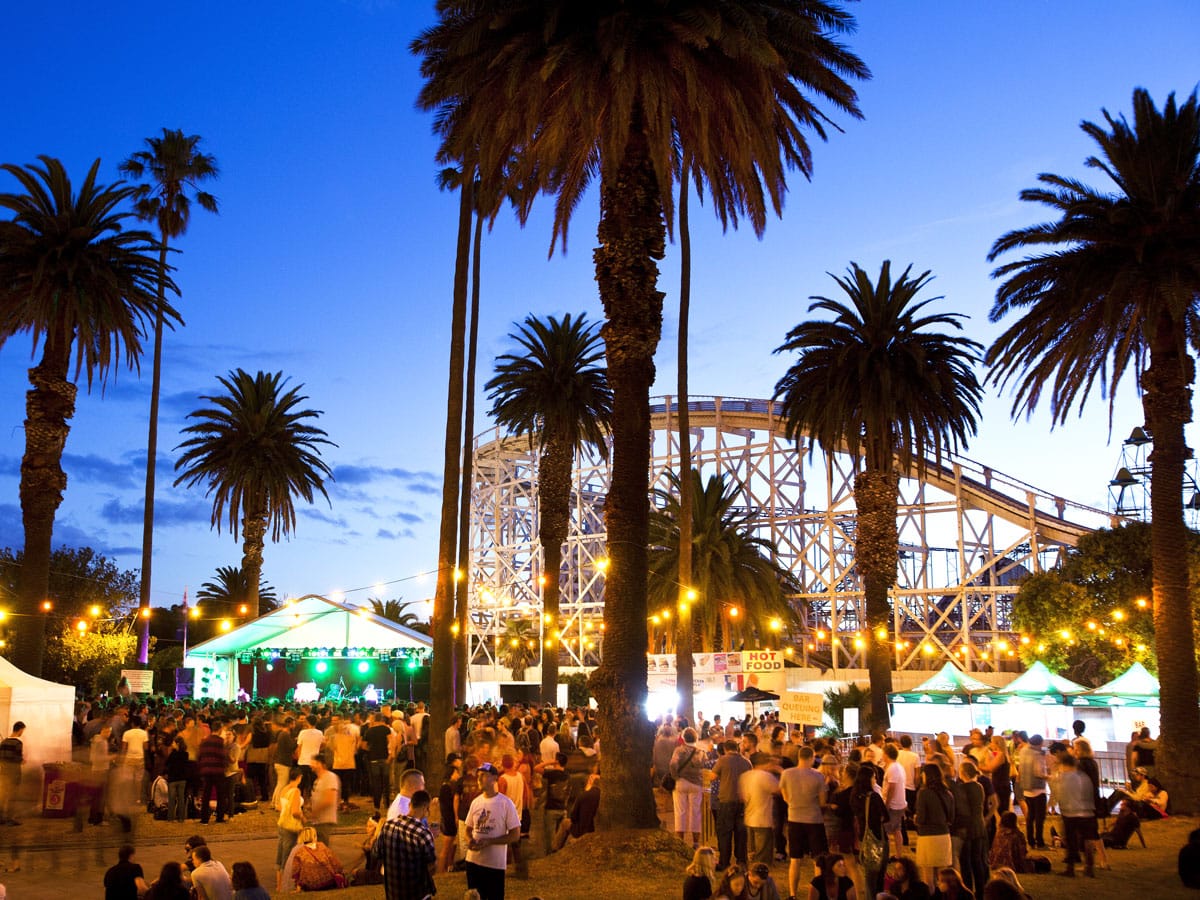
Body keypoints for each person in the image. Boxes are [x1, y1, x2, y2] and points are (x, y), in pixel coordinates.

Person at [465, 760, 521, 900]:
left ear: (495, 778)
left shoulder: (505, 804)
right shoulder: (476, 802)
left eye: (484, 775)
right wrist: (469, 840)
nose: (479, 778)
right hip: (473, 861)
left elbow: (515, 835)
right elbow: (468, 828)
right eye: (478, 775)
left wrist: (490, 841)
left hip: (494, 864)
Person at [780, 745, 828, 900]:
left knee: (795, 859)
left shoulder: (787, 774)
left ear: (799, 757)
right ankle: (819, 892)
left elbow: (785, 796)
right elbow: (822, 802)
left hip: (794, 818)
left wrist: (793, 802)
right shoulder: (818, 776)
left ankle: (792, 894)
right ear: (811, 757)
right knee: (817, 860)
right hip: (814, 819)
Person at [377, 787, 438, 900]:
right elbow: (432, 866)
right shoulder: (423, 834)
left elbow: (378, 853)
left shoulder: (388, 825)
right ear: (425, 808)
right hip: (416, 893)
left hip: (393, 891)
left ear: (410, 804)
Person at [1057, 752, 1097, 878]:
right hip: (1088, 812)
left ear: (1064, 765)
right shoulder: (1084, 777)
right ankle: (1089, 867)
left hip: (1071, 813)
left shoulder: (1065, 778)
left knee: (1071, 840)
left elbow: (1062, 795)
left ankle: (1070, 868)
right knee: (1088, 839)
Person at [713, 738, 752, 870]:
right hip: (742, 801)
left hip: (726, 800)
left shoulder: (723, 760)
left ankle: (724, 862)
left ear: (725, 749)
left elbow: (713, 776)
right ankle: (741, 861)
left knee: (725, 832)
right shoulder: (746, 762)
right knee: (741, 832)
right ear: (737, 748)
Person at [915, 764, 954, 888]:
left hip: (928, 837)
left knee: (928, 878)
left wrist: (915, 818)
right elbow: (951, 818)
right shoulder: (948, 794)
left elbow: (921, 818)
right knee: (943, 877)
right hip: (943, 836)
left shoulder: (924, 793)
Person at [671, 728, 706, 848]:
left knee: (680, 811)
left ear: (684, 738)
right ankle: (696, 842)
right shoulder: (701, 752)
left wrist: (675, 776)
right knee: (695, 812)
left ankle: (680, 841)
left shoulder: (679, 750)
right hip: (696, 783)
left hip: (681, 782)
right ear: (696, 738)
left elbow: (673, 764)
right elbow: (703, 765)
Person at [283, 826, 345, 892]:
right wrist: (339, 873)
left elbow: (296, 872)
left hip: (311, 885)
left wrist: (298, 887)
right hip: (328, 881)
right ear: (314, 836)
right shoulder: (321, 846)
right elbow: (335, 862)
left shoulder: (299, 852)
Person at [275, 767, 306, 893]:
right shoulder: (296, 791)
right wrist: (303, 817)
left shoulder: (284, 789)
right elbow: (295, 812)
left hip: (282, 824)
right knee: (289, 855)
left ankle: (278, 885)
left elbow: (278, 807)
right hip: (291, 827)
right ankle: (285, 885)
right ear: (299, 777)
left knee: (280, 854)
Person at [1016, 735, 1048, 849]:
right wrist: (1049, 776)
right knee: (1040, 817)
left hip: (1026, 789)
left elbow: (1020, 767)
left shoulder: (1024, 751)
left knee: (1030, 816)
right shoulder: (1037, 754)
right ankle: (1040, 840)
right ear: (1039, 743)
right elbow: (1038, 772)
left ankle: (1030, 840)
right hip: (1038, 789)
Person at [308, 752, 340, 845]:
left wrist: (315, 812)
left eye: (313, 763)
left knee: (322, 849)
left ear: (320, 764)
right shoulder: (317, 780)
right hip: (317, 820)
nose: (311, 765)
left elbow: (329, 799)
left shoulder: (330, 777)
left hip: (325, 820)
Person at [0, 722, 23, 826]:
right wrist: (22, 760)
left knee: (3, 795)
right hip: (13, 772)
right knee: (12, 795)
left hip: (3, 771)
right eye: (23, 730)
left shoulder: (3, 742)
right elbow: (17, 758)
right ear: (20, 729)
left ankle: (0, 818)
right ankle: (10, 819)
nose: (22, 732)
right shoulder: (18, 743)